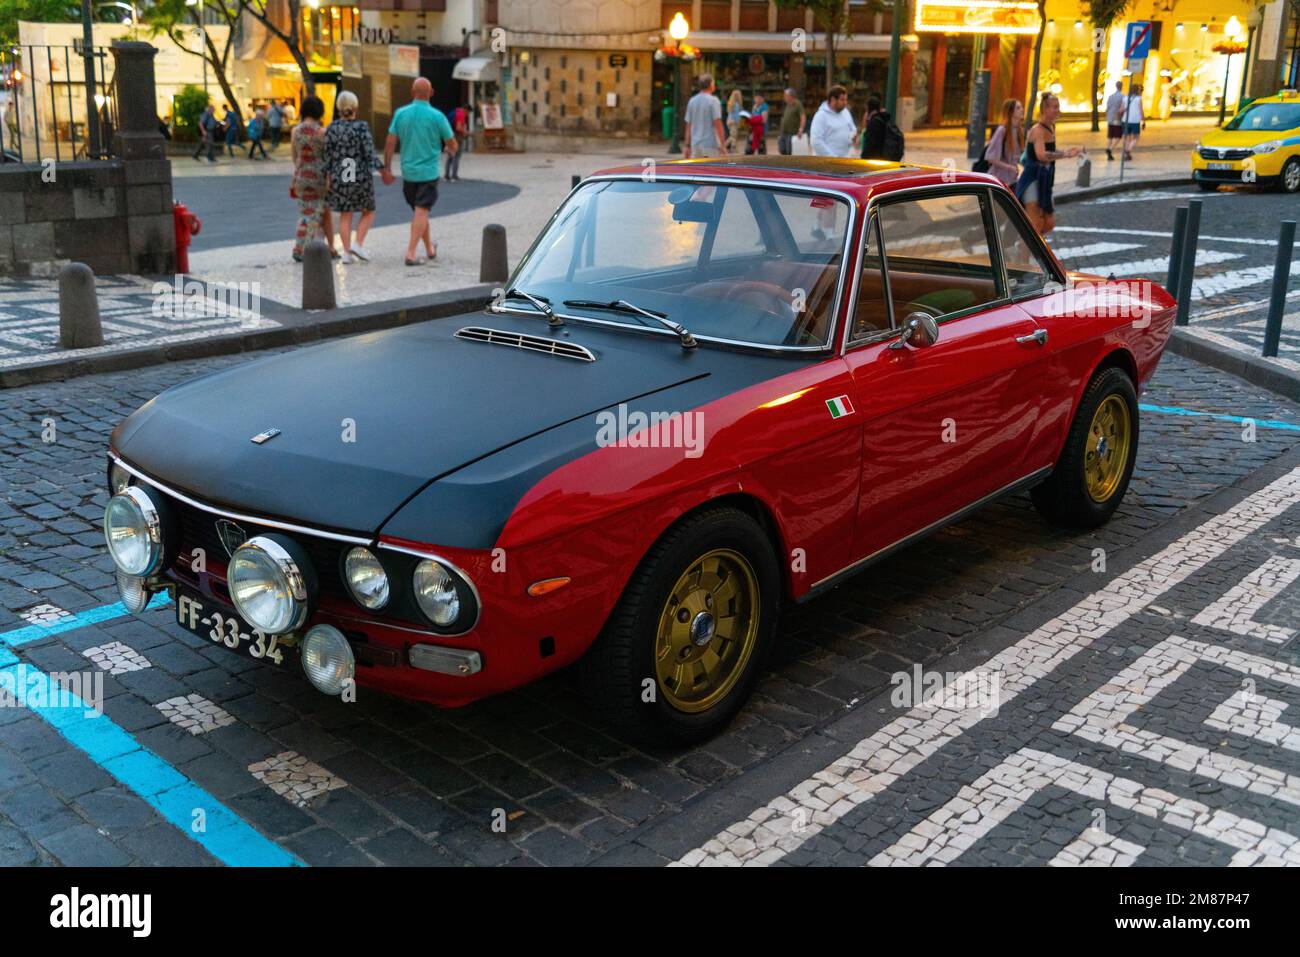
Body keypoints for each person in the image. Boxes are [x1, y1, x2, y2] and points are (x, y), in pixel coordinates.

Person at [382, 76, 457, 266]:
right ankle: (411, 253)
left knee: (420, 211)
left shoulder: (400, 114)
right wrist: (450, 150)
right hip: (429, 173)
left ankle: (430, 249)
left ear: (412, 92)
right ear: (431, 93)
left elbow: (390, 141)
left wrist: (387, 168)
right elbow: (452, 143)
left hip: (408, 173)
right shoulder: (438, 117)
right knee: (421, 212)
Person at [1014, 92, 1082, 236]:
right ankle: (1024, 254)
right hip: (1032, 180)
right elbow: (1042, 155)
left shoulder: (1051, 127)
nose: (1058, 110)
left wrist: (1067, 151)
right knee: (1035, 224)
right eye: (1055, 107)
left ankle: (1025, 248)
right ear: (1045, 110)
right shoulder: (1037, 130)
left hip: (1044, 180)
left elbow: (1049, 151)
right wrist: (1065, 154)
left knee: (1048, 222)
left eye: (1058, 107)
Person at [324, 91, 378, 264]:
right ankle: (358, 244)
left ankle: (347, 253)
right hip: (360, 176)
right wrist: (382, 169)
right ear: (355, 106)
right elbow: (369, 152)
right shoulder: (361, 127)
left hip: (341, 176)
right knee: (368, 211)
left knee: (345, 215)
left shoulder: (332, 127)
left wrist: (327, 176)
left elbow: (327, 155)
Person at [289, 95, 336, 262]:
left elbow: (294, 156)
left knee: (308, 213)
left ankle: (329, 247)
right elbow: (329, 157)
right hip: (319, 179)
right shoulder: (322, 132)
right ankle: (301, 248)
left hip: (301, 177)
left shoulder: (295, 131)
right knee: (313, 215)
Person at [982, 98, 1024, 188]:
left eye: (1021, 107)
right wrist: (1010, 167)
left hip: (1013, 179)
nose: (1022, 109)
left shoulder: (1019, 130)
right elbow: (990, 157)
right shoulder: (1002, 130)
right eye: (1018, 108)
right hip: (998, 181)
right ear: (1011, 112)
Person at [683, 74, 727, 160]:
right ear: (710, 85)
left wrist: (687, 145)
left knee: (697, 170)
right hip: (710, 144)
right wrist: (722, 144)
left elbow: (688, 125)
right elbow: (718, 123)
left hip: (695, 144)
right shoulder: (713, 101)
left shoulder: (692, 101)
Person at [810, 84, 856, 158]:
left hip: (845, 160)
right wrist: (832, 158)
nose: (845, 102)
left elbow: (853, 129)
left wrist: (852, 137)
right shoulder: (821, 116)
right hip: (826, 164)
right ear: (833, 99)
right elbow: (816, 141)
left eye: (846, 99)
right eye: (842, 100)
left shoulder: (846, 112)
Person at [860, 95, 891, 159]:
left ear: (869, 108)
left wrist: (863, 158)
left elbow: (869, 145)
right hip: (884, 158)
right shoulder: (885, 120)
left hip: (874, 159)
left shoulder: (873, 123)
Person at [446, 102, 469, 181]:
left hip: (450, 135)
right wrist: (466, 132)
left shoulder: (454, 112)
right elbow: (458, 128)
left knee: (450, 155)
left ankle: (446, 174)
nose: (468, 115)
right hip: (457, 137)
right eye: (468, 112)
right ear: (466, 110)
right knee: (457, 156)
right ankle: (454, 175)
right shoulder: (461, 114)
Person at [778, 88, 805, 155]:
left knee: (789, 151)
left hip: (792, 132)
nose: (784, 97)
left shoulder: (797, 104)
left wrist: (801, 129)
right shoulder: (788, 104)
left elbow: (803, 117)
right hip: (784, 132)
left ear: (791, 96)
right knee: (782, 149)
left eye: (785, 96)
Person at [1123, 84, 1145, 161]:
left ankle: (1126, 151)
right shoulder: (1139, 99)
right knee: (1136, 137)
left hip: (1125, 120)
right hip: (1135, 120)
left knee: (1127, 137)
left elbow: (1122, 109)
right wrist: (1143, 120)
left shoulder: (1125, 98)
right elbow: (1141, 110)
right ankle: (1128, 150)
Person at [1105, 81, 1124, 161]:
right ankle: (1110, 149)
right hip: (1117, 118)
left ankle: (1108, 148)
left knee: (1110, 135)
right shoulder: (1123, 97)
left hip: (1110, 118)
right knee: (1118, 136)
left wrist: (1107, 115)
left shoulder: (1110, 96)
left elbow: (1107, 107)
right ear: (1121, 86)